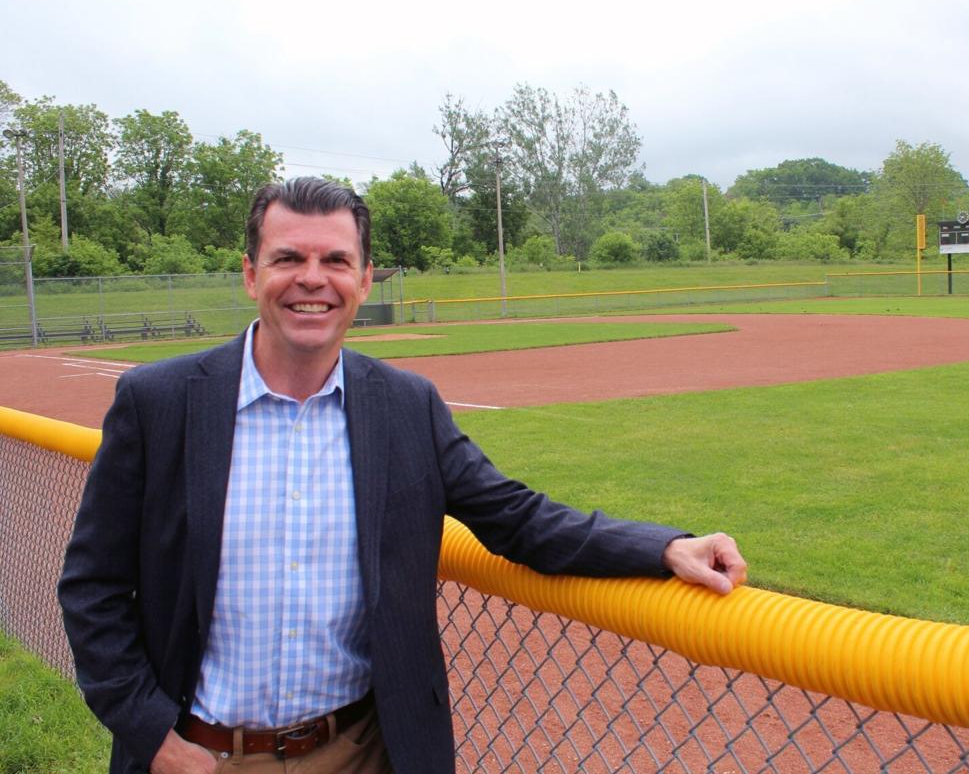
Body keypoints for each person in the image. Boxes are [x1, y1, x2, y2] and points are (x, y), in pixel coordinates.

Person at [59, 177, 747, 774]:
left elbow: (517, 518)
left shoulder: (404, 406)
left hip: (361, 751)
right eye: (288, 258)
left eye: (335, 260)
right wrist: (155, 737)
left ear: (363, 279)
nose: (311, 278)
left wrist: (661, 547)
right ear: (250, 274)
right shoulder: (159, 402)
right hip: (200, 756)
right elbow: (92, 587)